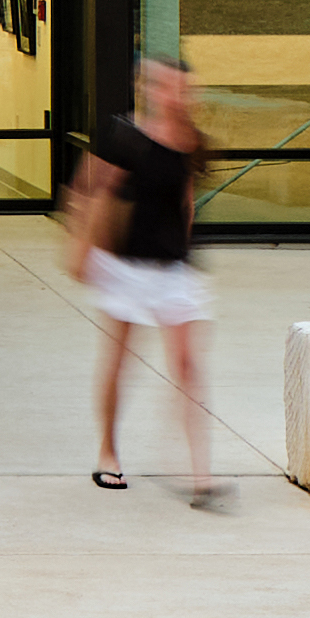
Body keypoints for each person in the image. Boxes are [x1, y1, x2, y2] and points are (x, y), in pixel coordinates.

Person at [63, 48, 223, 509]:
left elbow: (186, 201)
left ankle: (201, 475)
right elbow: (90, 189)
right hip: (126, 266)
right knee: (120, 362)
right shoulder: (125, 136)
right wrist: (83, 249)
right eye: (160, 85)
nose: (171, 94)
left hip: (173, 268)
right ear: (147, 88)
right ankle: (108, 451)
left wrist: (183, 252)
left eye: (178, 87)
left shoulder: (191, 140)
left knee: (188, 365)